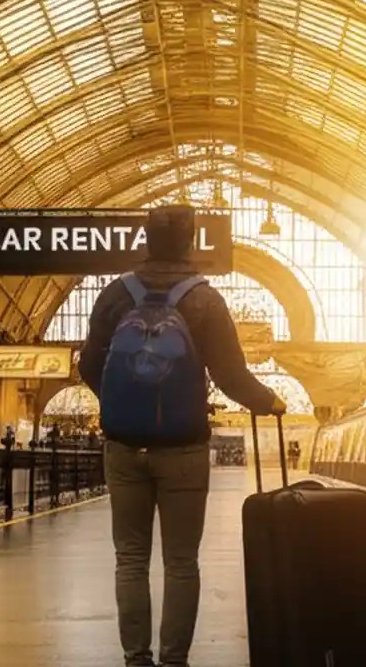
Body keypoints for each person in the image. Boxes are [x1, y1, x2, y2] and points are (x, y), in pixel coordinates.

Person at [80, 204, 286, 667]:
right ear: (191, 241)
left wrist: (121, 406)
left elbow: (89, 365)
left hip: (124, 448)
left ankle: (136, 659)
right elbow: (231, 376)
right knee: (180, 562)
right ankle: (174, 661)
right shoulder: (204, 300)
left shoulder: (115, 294)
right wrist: (269, 401)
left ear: (146, 240)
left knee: (130, 559)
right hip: (184, 449)